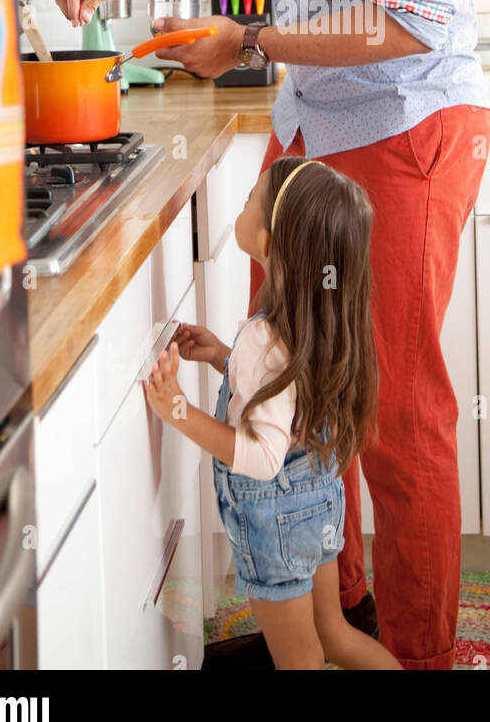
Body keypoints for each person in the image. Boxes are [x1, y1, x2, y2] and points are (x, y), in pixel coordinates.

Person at [54, 0, 490, 670]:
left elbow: (411, 15)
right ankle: (326, 629)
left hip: (401, 128)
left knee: (390, 411)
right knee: (290, 387)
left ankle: (419, 654)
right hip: (308, 125)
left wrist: (251, 42)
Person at [143, 154, 402, 671]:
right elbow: (278, 395)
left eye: (250, 200)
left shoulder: (266, 334)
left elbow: (262, 458)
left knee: (300, 660)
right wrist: (221, 354)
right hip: (320, 503)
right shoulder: (320, 320)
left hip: (276, 520)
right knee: (335, 636)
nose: (242, 202)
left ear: (268, 244)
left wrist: (179, 411)